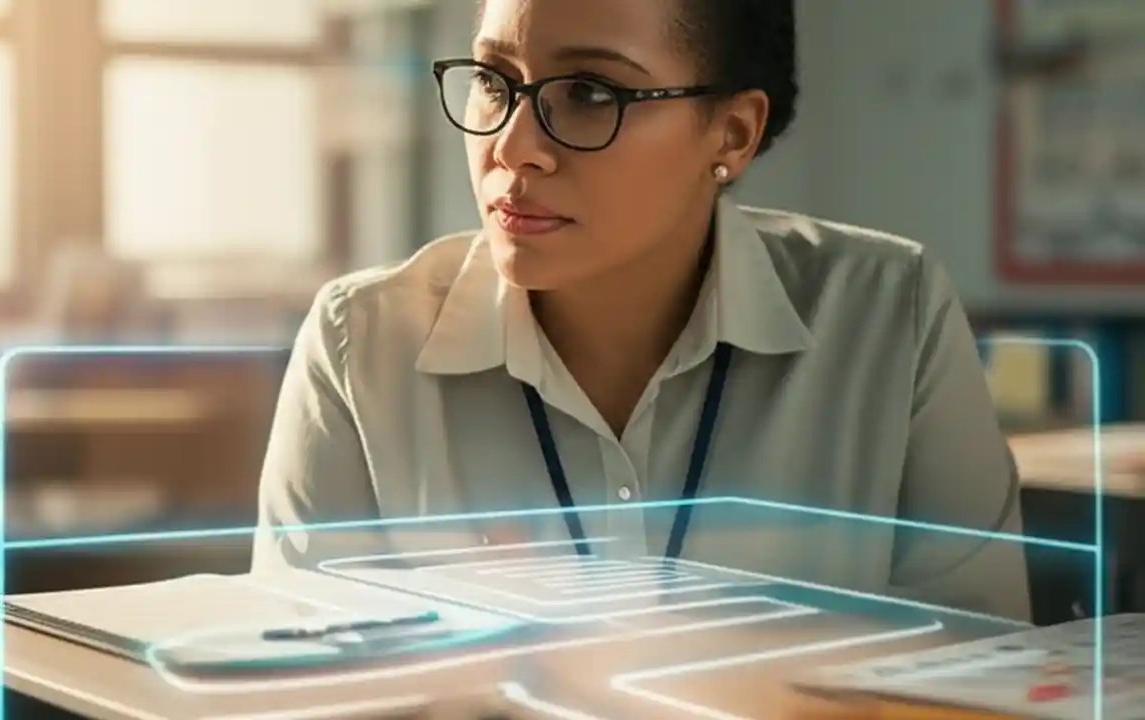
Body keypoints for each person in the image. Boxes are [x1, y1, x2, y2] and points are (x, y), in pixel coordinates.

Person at [252, 0, 1029, 622]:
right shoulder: (361, 347)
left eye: (589, 93)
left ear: (732, 132)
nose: (514, 145)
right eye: (493, 81)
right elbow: (296, 686)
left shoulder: (891, 317)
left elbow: (976, 681)